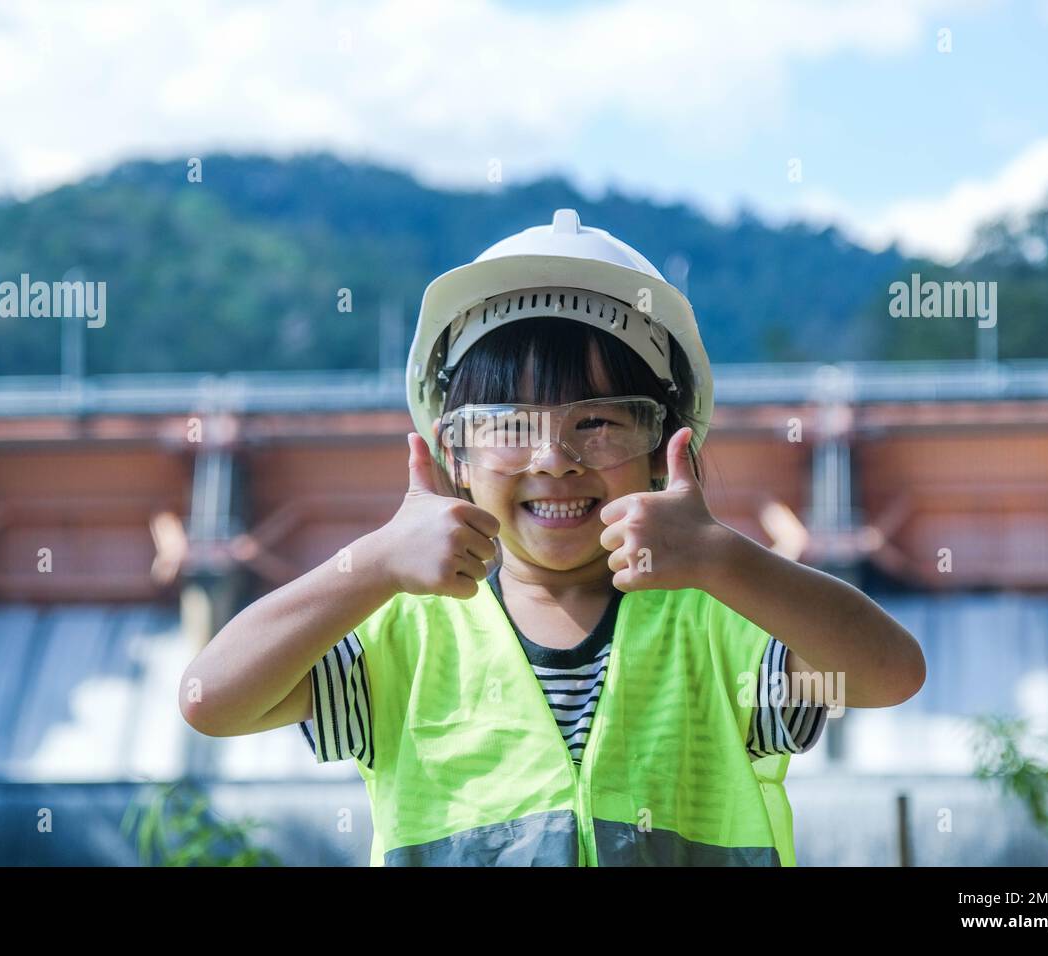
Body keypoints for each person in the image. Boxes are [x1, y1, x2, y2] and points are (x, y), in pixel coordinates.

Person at [179, 209, 925, 866]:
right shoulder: (400, 640)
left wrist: (723, 558)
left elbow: (890, 674)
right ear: (454, 456)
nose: (554, 459)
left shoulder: (724, 633)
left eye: (598, 421)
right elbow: (211, 698)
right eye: (506, 424)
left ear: (668, 442)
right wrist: (371, 565)